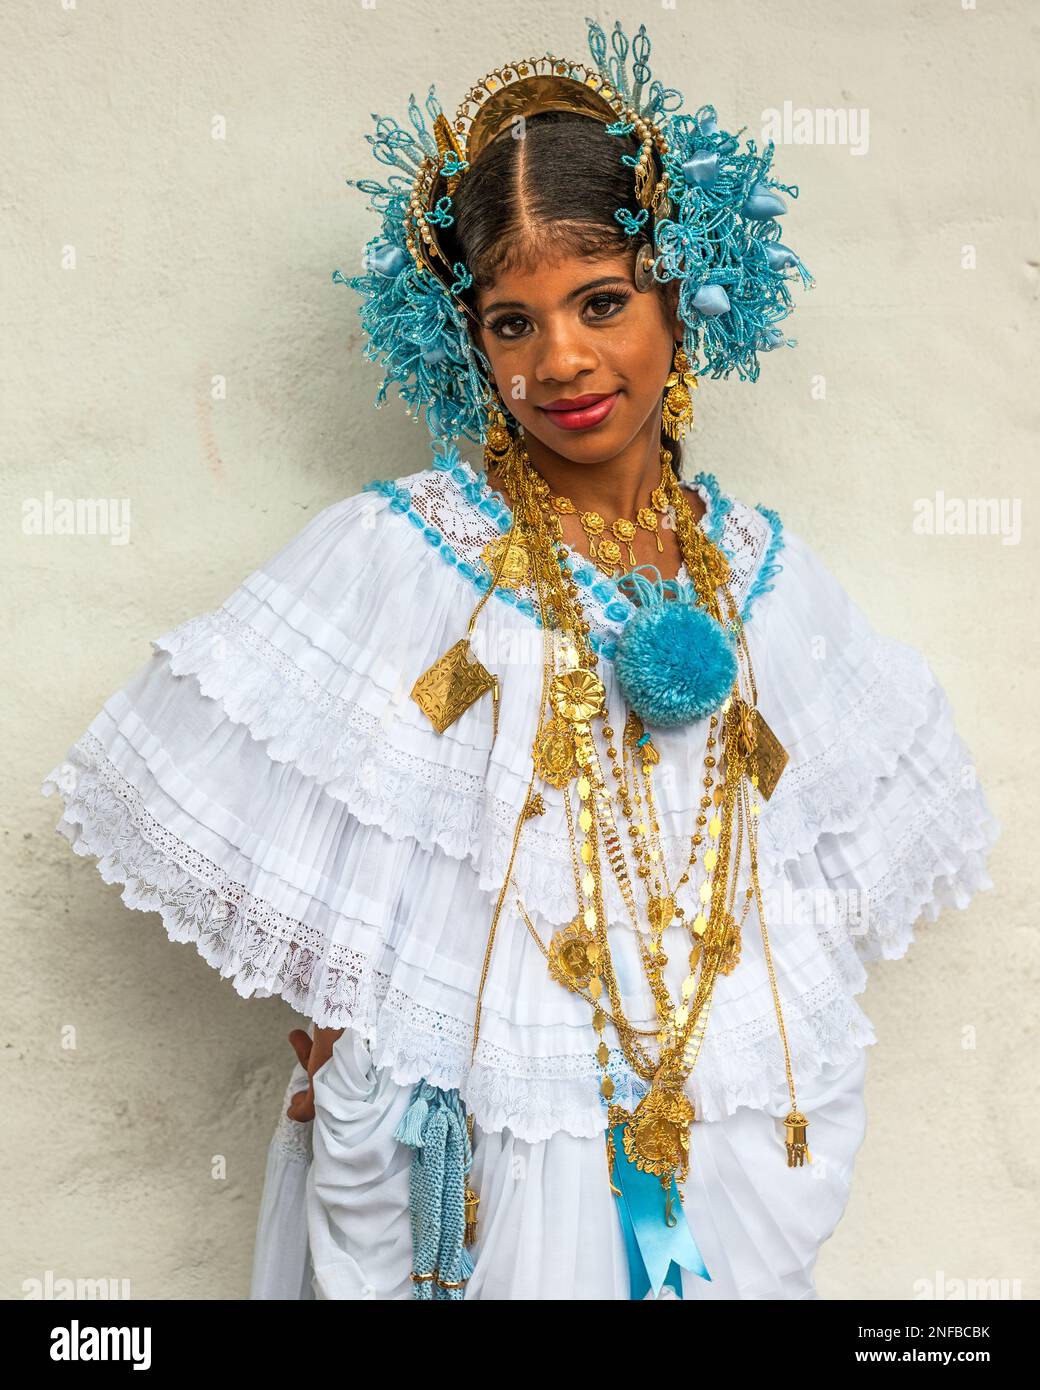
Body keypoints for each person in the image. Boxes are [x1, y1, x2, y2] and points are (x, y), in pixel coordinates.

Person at [41, 17, 1000, 1301]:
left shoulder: (768, 581)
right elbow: (352, 921)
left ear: (684, 287)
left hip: (716, 1169)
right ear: (470, 346)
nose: (560, 361)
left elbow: (802, 911)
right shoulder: (407, 561)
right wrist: (364, 1099)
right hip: (480, 1161)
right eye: (511, 322)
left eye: (599, 300)